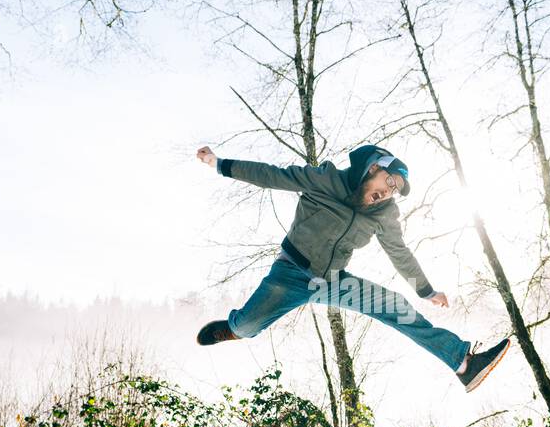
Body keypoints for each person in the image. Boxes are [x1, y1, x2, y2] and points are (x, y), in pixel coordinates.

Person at [194, 143, 511, 392]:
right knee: (249, 327)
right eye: (387, 181)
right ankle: (234, 328)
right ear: (372, 168)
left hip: (331, 281)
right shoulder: (324, 179)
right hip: (290, 272)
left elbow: (399, 252)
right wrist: (219, 164)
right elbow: (273, 175)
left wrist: (426, 290)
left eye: (394, 189)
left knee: (394, 306)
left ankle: (462, 364)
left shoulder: (384, 214)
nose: (387, 193)